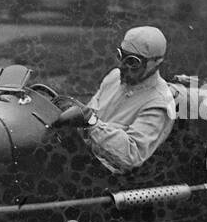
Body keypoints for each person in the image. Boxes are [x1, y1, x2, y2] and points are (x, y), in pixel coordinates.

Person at [53, 25, 177, 174]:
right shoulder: (113, 78)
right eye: (121, 56)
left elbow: (132, 155)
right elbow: (88, 116)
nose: (122, 66)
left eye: (133, 62)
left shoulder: (160, 104)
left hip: (107, 177)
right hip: (83, 160)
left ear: (156, 63)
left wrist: (91, 122)